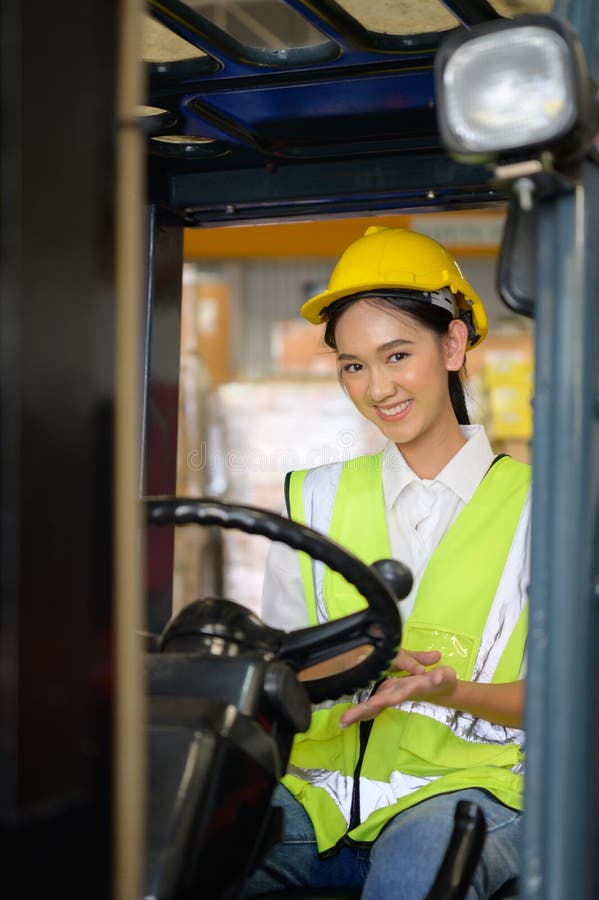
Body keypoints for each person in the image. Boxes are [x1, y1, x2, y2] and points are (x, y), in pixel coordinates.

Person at [240, 225, 530, 900]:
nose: (377, 387)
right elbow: (283, 663)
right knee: (190, 846)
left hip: (467, 790)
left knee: (409, 882)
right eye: (354, 365)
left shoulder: (544, 510)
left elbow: (565, 702)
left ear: (453, 345)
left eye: (397, 355)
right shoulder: (310, 498)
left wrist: (448, 690)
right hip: (317, 796)